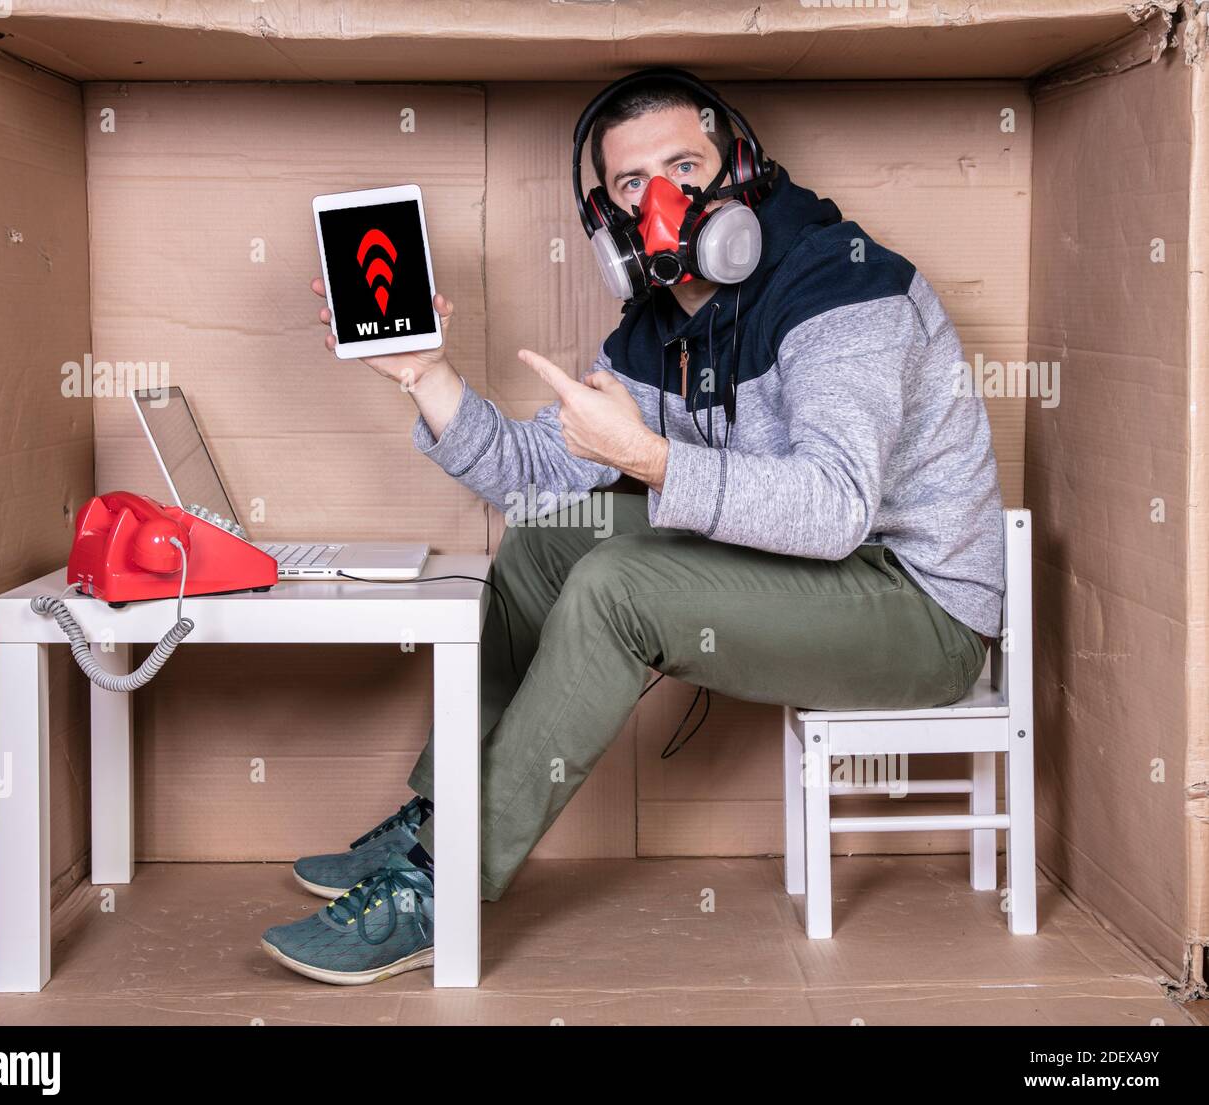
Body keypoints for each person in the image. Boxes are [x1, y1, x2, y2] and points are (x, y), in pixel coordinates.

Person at [261, 68, 1003, 985]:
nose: (663, 199)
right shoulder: (659, 327)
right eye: (630, 184)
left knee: (618, 588)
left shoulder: (839, 284)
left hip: (916, 606)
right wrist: (427, 375)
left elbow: (835, 507)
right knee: (551, 536)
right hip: (817, 579)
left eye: (684, 166)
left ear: (737, 166)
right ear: (606, 218)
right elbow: (537, 475)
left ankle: (439, 882)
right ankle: (440, 809)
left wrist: (650, 459)